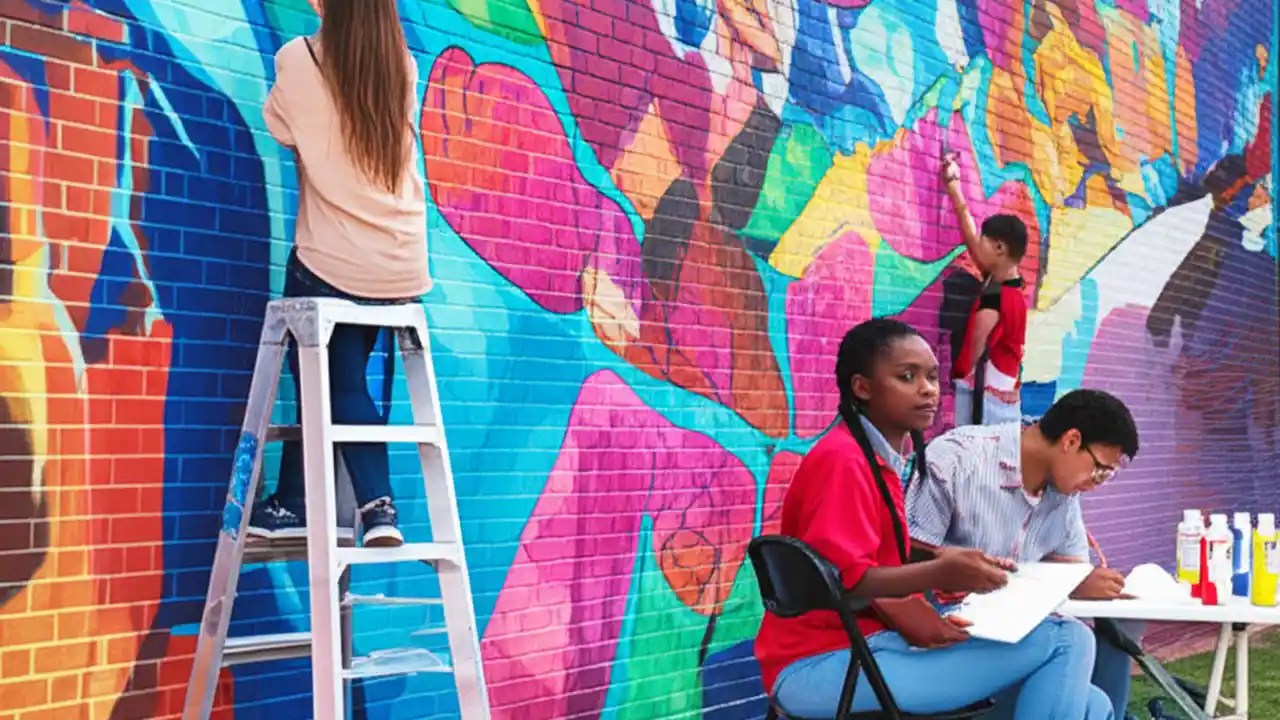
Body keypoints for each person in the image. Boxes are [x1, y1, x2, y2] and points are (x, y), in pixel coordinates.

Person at [754, 319, 1113, 719]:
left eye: (931, 377)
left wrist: (947, 565)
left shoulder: (877, 463)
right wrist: (941, 572)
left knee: (1093, 705)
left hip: (865, 650)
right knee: (1068, 639)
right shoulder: (844, 461)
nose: (927, 389)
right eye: (907, 377)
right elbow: (850, 579)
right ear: (862, 387)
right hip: (824, 665)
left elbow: (882, 558)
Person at [247, 0, 428, 547]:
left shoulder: (297, 59)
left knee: (334, 379)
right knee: (334, 374)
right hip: (397, 261)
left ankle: (377, 505)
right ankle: (297, 500)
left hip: (336, 261)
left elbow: (278, 125)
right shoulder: (400, 66)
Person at [906, 389, 1144, 717]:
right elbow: (906, 557)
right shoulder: (958, 459)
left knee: (1097, 704)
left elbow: (1072, 570)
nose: (1095, 484)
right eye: (1100, 471)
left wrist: (1079, 581)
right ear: (1072, 440)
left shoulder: (1063, 492)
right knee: (1072, 642)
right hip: (941, 637)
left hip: (1013, 641)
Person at [940, 153, 1029, 426]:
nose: (977, 246)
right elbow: (970, 237)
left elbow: (976, 347)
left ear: (1000, 249)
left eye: (985, 242)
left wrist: (959, 378)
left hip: (984, 401)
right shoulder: (1009, 288)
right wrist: (954, 185)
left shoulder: (995, 296)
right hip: (1003, 395)